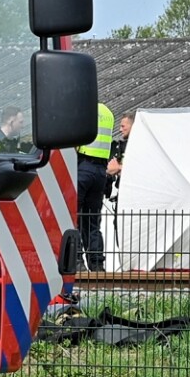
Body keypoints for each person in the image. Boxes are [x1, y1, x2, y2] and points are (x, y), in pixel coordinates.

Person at [77, 101, 116, 271]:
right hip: (101, 171)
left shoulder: (84, 108)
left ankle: (77, 261)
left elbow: (74, 139)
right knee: (93, 221)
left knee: (74, 217)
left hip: (83, 166)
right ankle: (97, 263)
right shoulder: (107, 112)